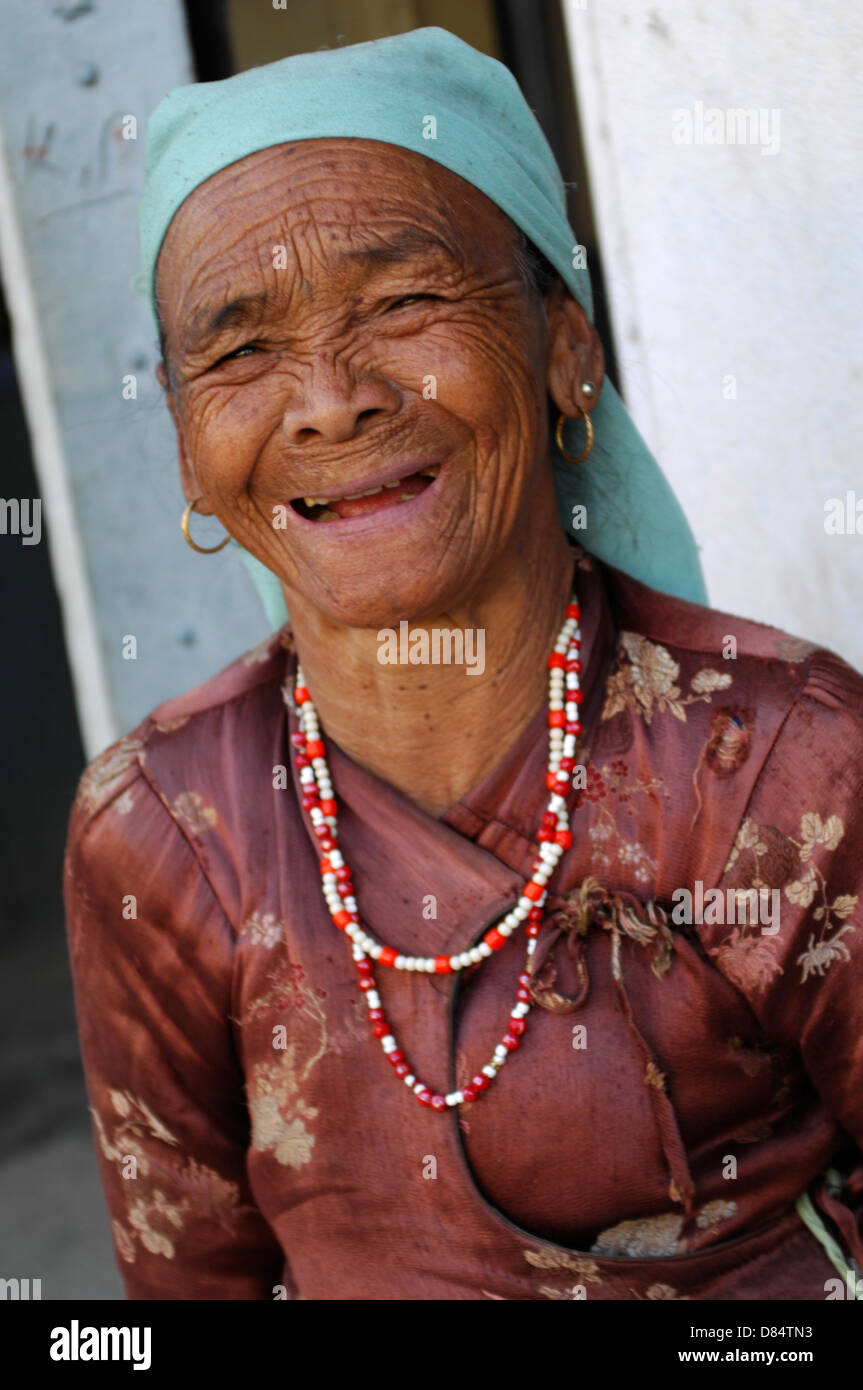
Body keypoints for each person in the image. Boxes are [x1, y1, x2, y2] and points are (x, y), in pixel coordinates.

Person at [63, 27, 863, 1300]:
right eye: (241, 349)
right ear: (183, 442)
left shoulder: (778, 769)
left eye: (400, 301)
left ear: (564, 346)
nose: (329, 400)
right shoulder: (162, 832)